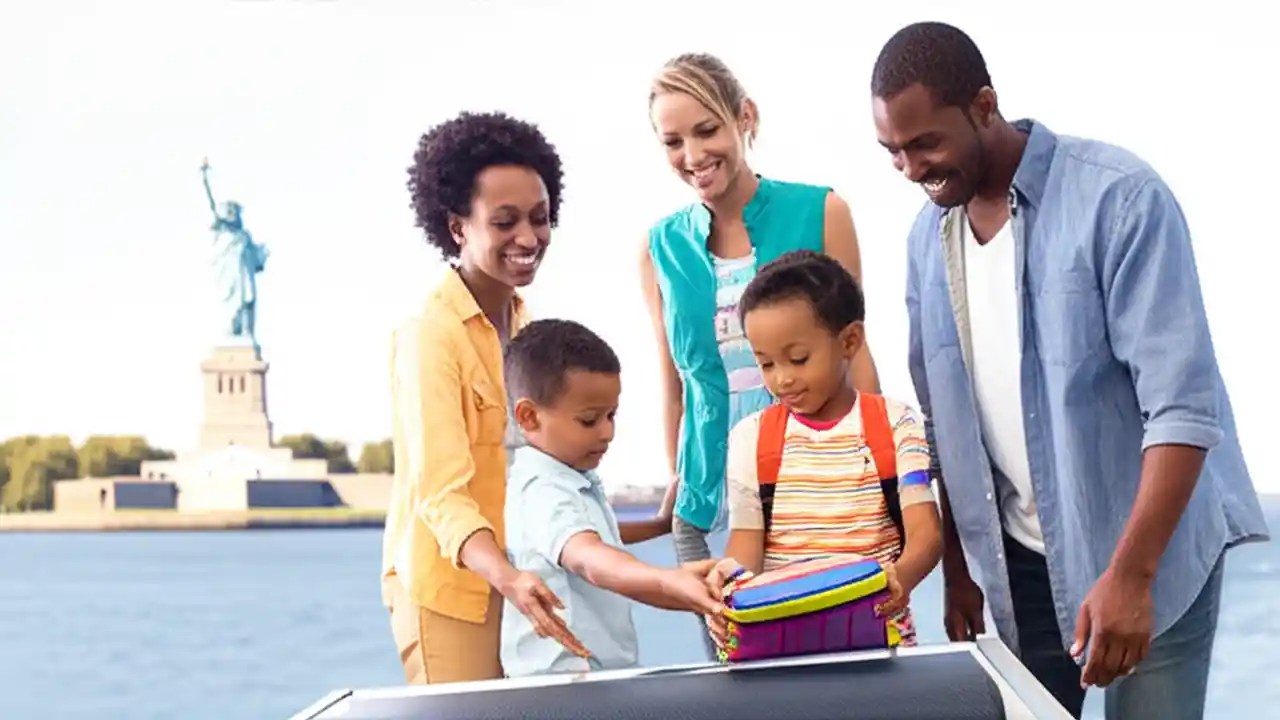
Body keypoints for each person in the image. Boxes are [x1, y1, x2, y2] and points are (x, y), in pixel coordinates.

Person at [870, 21, 1270, 719]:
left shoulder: (1120, 199)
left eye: (925, 142)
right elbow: (943, 426)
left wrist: (1132, 576)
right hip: (1018, 574)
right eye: (892, 151)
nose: (910, 167)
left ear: (985, 106)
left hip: (1151, 559)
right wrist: (960, 576)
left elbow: (1182, 407)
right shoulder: (924, 242)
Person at [639, 53, 882, 657]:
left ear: (745, 117)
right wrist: (681, 480)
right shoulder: (658, 248)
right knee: (739, 675)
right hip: (709, 505)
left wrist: (879, 473)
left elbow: (858, 352)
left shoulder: (822, 211)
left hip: (815, 490)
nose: (692, 156)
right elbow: (672, 379)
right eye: (673, 141)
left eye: (706, 130)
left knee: (842, 664)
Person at [381, 110, 589, 685]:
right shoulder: (429, 335)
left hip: (519, 580)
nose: (529, 237)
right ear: (457, 227)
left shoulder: (525, 327)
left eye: (540, 218)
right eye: (505, 221)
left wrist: (647, 524)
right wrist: (506, 577)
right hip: (453, 594)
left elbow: (536, 470)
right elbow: (440, 496)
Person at [703, 250, 943, 650]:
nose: (782, 380)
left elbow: (926, 532)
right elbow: (745, 550)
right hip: (783, 649)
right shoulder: (751, 438)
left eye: (798, 359)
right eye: (765, 364)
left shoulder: (895, 423)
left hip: (882, 642)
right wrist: (725, 586)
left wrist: (901, 576)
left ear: (849, 341)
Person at [500, 318, 732, 677]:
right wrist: (665, 579)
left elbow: (595, 535)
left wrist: (659, 528)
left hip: (598, 676)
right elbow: (589, 558)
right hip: (566, 682)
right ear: (529, 417)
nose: (607, 432)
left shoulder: (568, 476)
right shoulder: (542, 488)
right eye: (589, 420)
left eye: (611, 415)